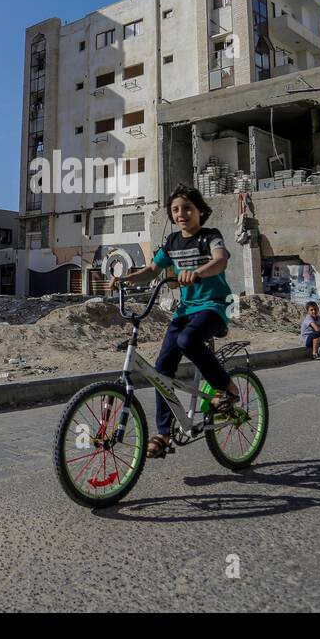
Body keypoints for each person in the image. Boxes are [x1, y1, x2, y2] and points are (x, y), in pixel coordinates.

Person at [111, 186, 238, 459]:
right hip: (186, 310)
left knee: (187, 340)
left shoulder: (209, 237)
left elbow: (221, 260)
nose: (182, 214)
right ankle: (164, 432)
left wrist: (197, 272)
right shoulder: (171, 242)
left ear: (200, 211)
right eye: (176, 209)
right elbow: (151, 271)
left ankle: (225, 387)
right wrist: (125, 279)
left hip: (215, 306)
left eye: (188, 208)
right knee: (161, 369)